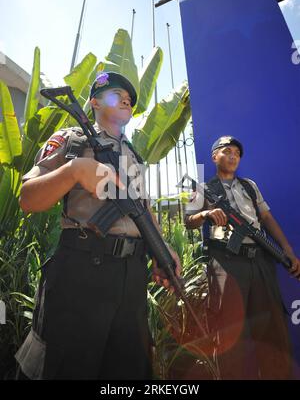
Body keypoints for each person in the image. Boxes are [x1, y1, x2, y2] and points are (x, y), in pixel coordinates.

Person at [15, 71, 180, 380]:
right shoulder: (72, 139)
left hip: (132, 274)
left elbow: (144, 211)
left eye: (129, 100)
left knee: (128, 368)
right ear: (93, 102)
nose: (126, 101)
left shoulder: (134, 155)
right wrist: (75, 170)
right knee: (67, 365)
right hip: (82, 268)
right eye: (117, 95)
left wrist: (162, 249)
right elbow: (28, 198)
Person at [185, 135, 300, 380]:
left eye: (237, 152)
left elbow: (266, 219)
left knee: (273, 328)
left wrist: (287, 250)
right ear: (215, 156)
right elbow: (188, 222)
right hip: (226, 263)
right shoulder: (203, 189)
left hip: (260, 260)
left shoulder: (249, 186)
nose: (233, 155)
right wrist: (206, 213)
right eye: (227, 151)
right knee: (230, 333)